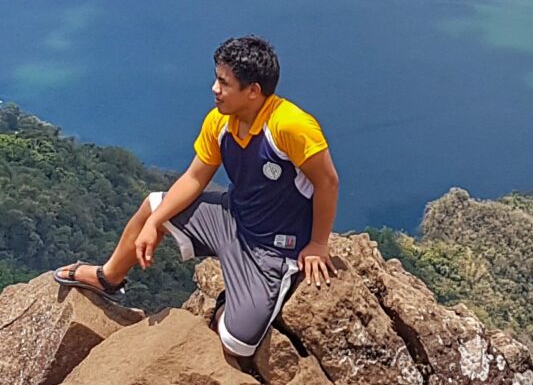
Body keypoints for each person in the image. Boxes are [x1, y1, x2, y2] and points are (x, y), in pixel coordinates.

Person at [57, 36, 338, 361]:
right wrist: (153, 223)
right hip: (233, 217)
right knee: (154, 204)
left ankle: (225, 302)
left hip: (273, 247)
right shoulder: (219, 121)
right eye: (216, 79)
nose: (214, 89)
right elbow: (194, 178)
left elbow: (328, 182)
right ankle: (108, 277)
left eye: (223, 82)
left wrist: (318, 244)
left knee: (238, 342)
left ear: (253, 91)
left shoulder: (291, 126)